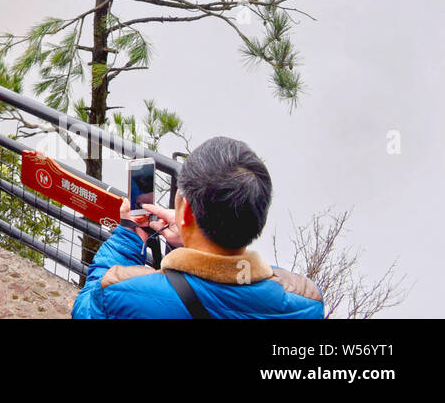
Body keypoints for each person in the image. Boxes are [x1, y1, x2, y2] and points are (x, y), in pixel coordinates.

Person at [72, 136, 324, 318]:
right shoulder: (305, 303)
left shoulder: (124, 292)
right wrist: (193, 237)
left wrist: (129, 234)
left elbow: (85, 308)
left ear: (187, 210)